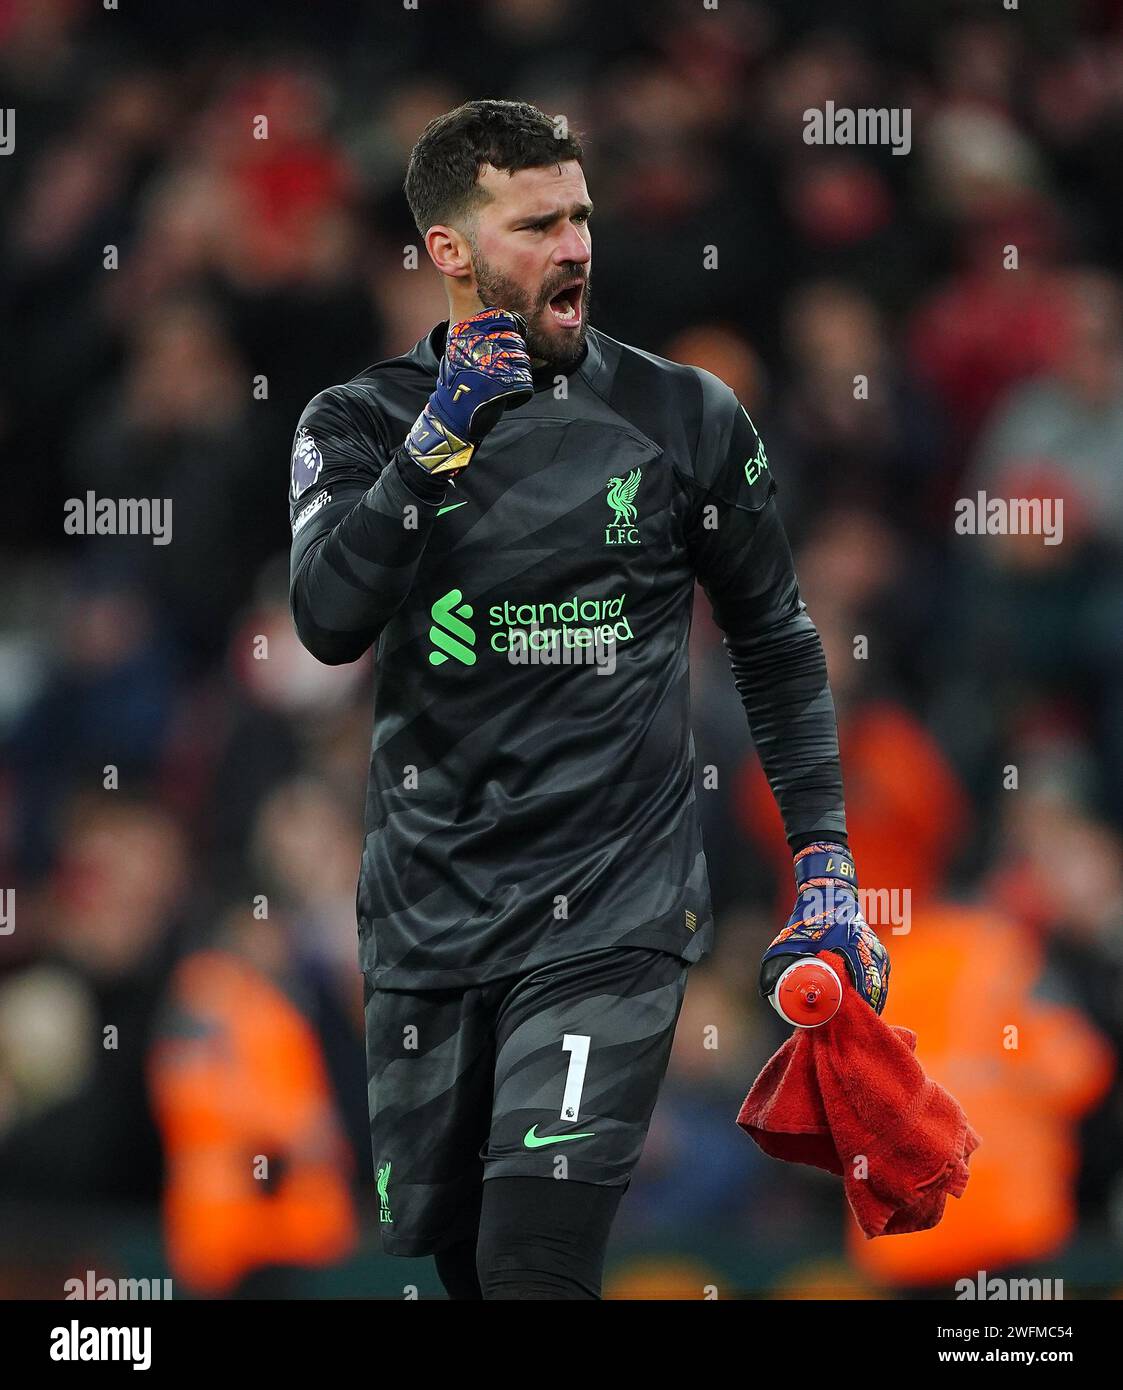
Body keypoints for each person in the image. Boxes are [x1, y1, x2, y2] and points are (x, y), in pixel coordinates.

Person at [287, 99, 888, 1300]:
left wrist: (823, 855)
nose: (574, 247)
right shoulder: (356, 422)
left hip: (610, 912)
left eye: (580, 218)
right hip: (426, 920)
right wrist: (433, 446)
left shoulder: (686, 416)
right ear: (449, 250)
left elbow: (774, 635)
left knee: (533, 1267)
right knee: (463, 1270)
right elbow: (327, 621)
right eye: (535, 223)